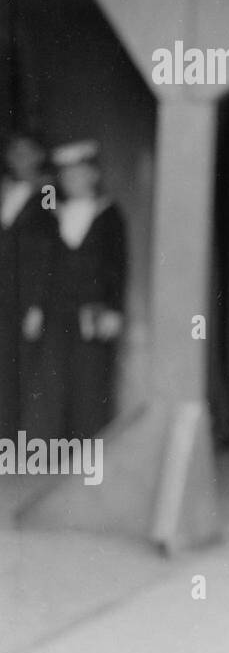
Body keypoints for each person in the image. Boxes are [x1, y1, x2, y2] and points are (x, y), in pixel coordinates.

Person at [48, 139, 127, 439]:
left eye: (78, 173)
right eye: (66, 175)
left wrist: (114, 311)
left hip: (94, 312)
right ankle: (57, 451)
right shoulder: (55, 213)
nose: (71, 181)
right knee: (57, 380)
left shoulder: (108, 215)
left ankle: (90, 448)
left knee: (90, 379)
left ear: (93, 175)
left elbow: (118, 267)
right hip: (58, 310)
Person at [0, 129, 58, 441]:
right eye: (14, 153)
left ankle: (17, 441)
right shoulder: (4, 190)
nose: (20, 160)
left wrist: (36, 304)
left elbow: (47, 251)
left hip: (24, 298)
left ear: (39, 157)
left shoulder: (47, 193)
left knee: (23, 369)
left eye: (27, 153)